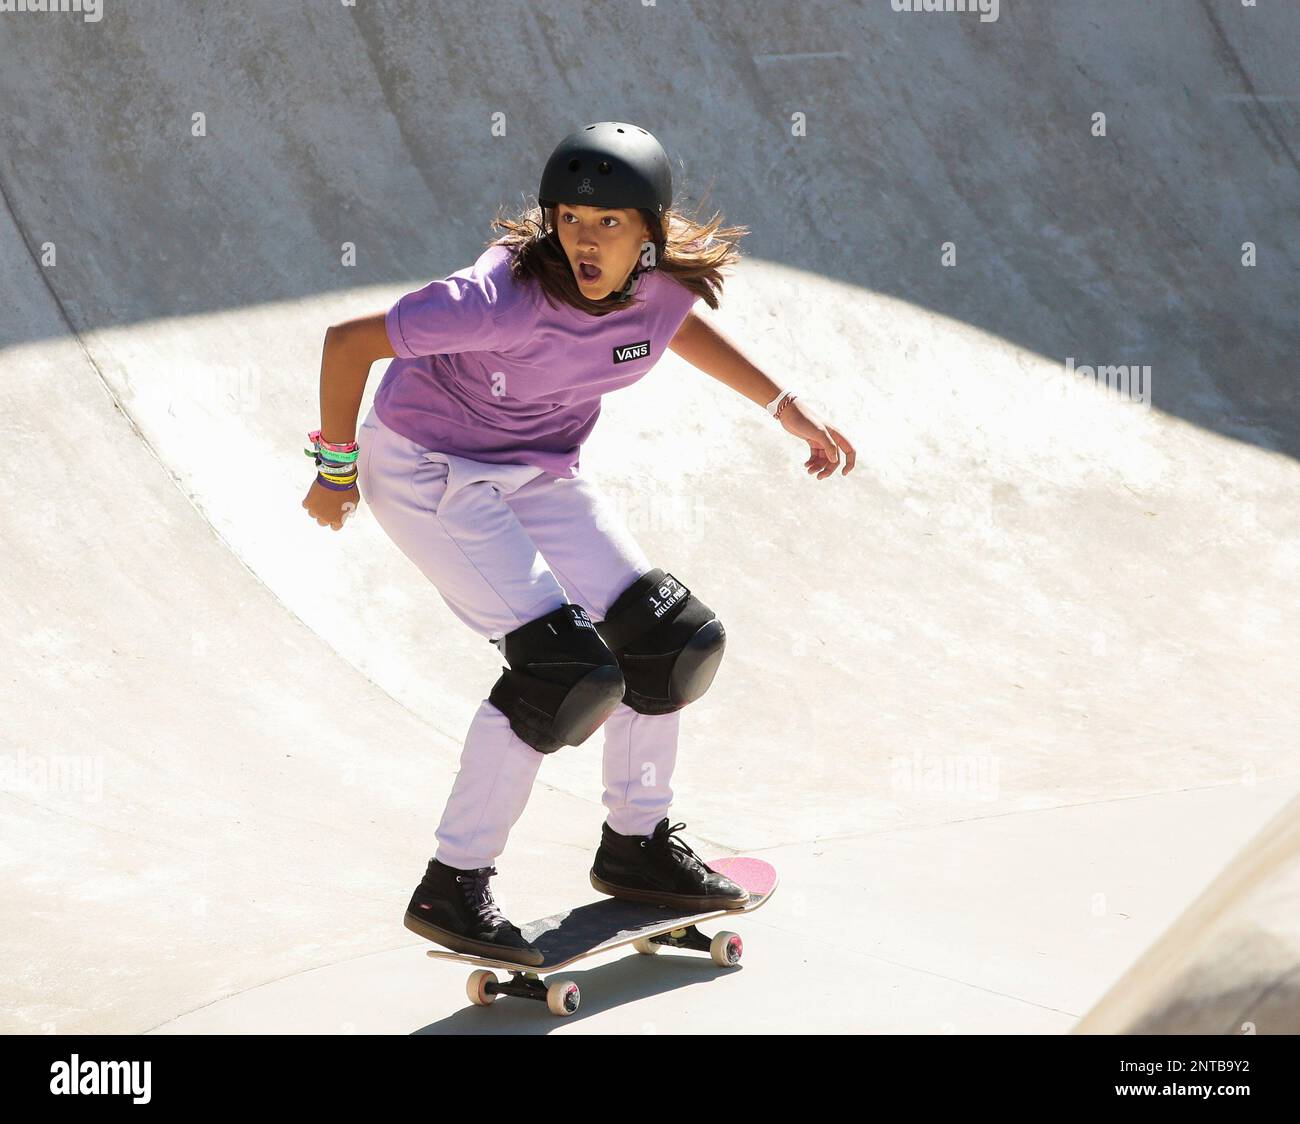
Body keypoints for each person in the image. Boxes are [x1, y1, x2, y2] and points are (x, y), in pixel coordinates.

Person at [302, 121, 855, 966]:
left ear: (649, 234)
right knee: (561, 671)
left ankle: (636, 846)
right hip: (426, 467)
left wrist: (785, 404)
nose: (584, 240)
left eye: (608, 224)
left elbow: (670, 322)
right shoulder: (494, 298)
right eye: (569, 218)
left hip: (536, 466)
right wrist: (336, 470)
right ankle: (453, 884)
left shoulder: (658, 285)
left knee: (668, 640)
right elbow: (348, 343)